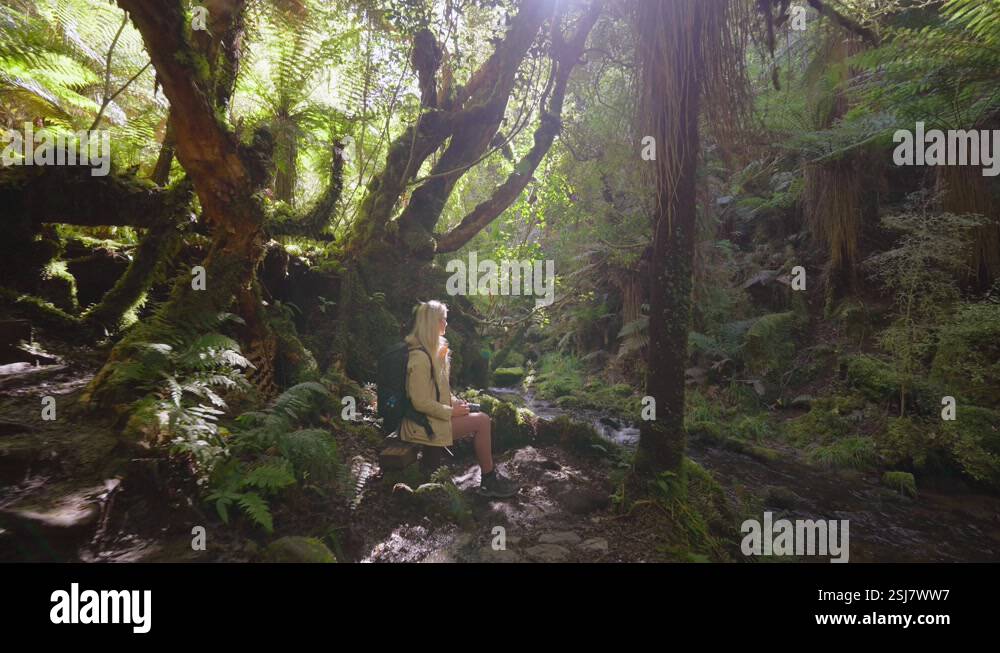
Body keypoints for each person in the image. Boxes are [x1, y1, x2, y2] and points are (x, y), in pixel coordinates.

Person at [400, 300, 519, 498]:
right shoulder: (420, 357)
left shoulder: (434, 350)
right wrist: (450, 412)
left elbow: (440, 392)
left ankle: (488, 477)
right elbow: (419, 401)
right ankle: (489, 481)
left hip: (429, 418)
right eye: (443, 320)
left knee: (481, 413)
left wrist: (456, 403)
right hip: (418, 424)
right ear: (431, 323)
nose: (446, 324)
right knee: (482, 421)